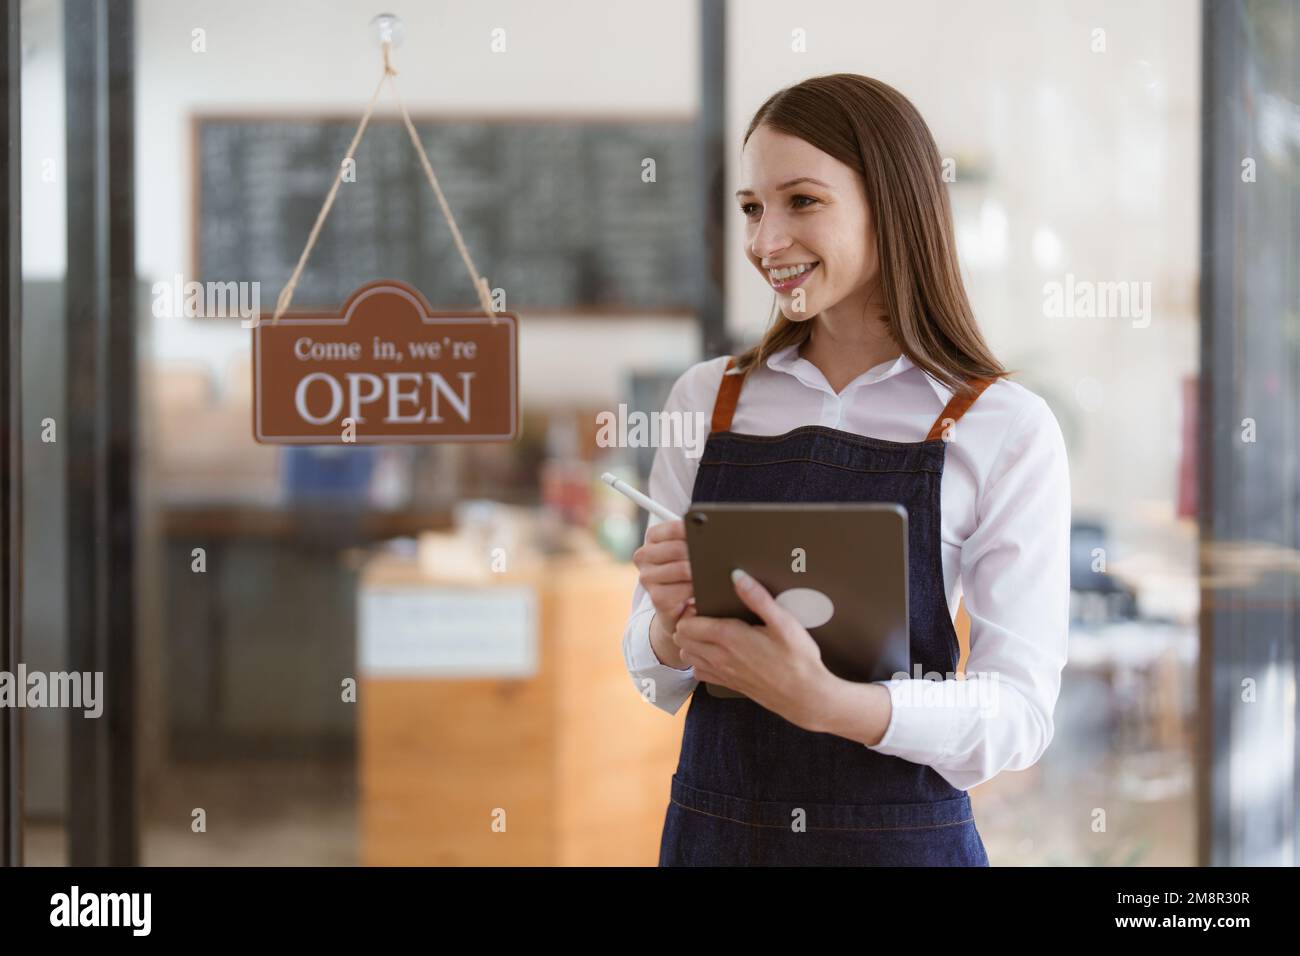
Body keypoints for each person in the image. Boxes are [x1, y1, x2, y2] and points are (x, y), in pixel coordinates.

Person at [622, 73, 1071, 866]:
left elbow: (1020, 716)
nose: (765, 244)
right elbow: (654, 678)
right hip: (715, 836)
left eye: (803, 202)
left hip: (901, 845)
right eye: (753, 209)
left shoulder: (1002, 426)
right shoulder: (709, 400)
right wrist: (666, 624)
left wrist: (835, 705)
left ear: (892, 203)